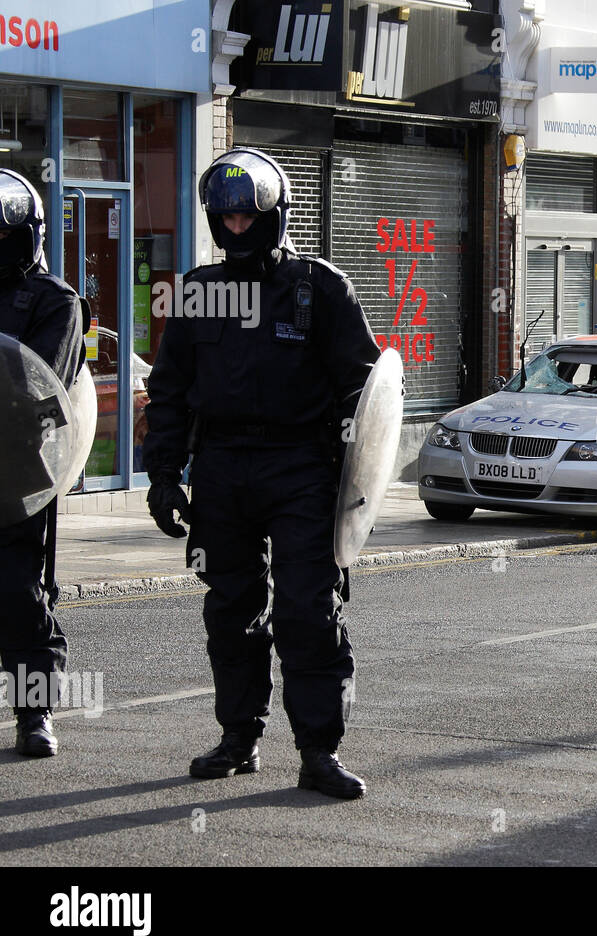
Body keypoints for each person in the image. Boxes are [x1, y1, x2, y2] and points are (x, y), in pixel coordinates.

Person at [143, 148, 381, 799]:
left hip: (303, 468)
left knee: (309, 609)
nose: (238, 228)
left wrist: (355, 488)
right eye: (226, 219)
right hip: (221, 471)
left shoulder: (321, 288)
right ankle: (239, 737)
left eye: (249, 217)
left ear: (274, 215)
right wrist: (162, 473)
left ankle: (318, 751)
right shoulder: (196, 292)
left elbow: (363, 391)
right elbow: (170, 392)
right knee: (230, 611)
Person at [0, 169, 84, 757]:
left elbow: (42, 386)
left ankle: (35, 713)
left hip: (18, 472)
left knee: (22, 595)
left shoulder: (56, 301)